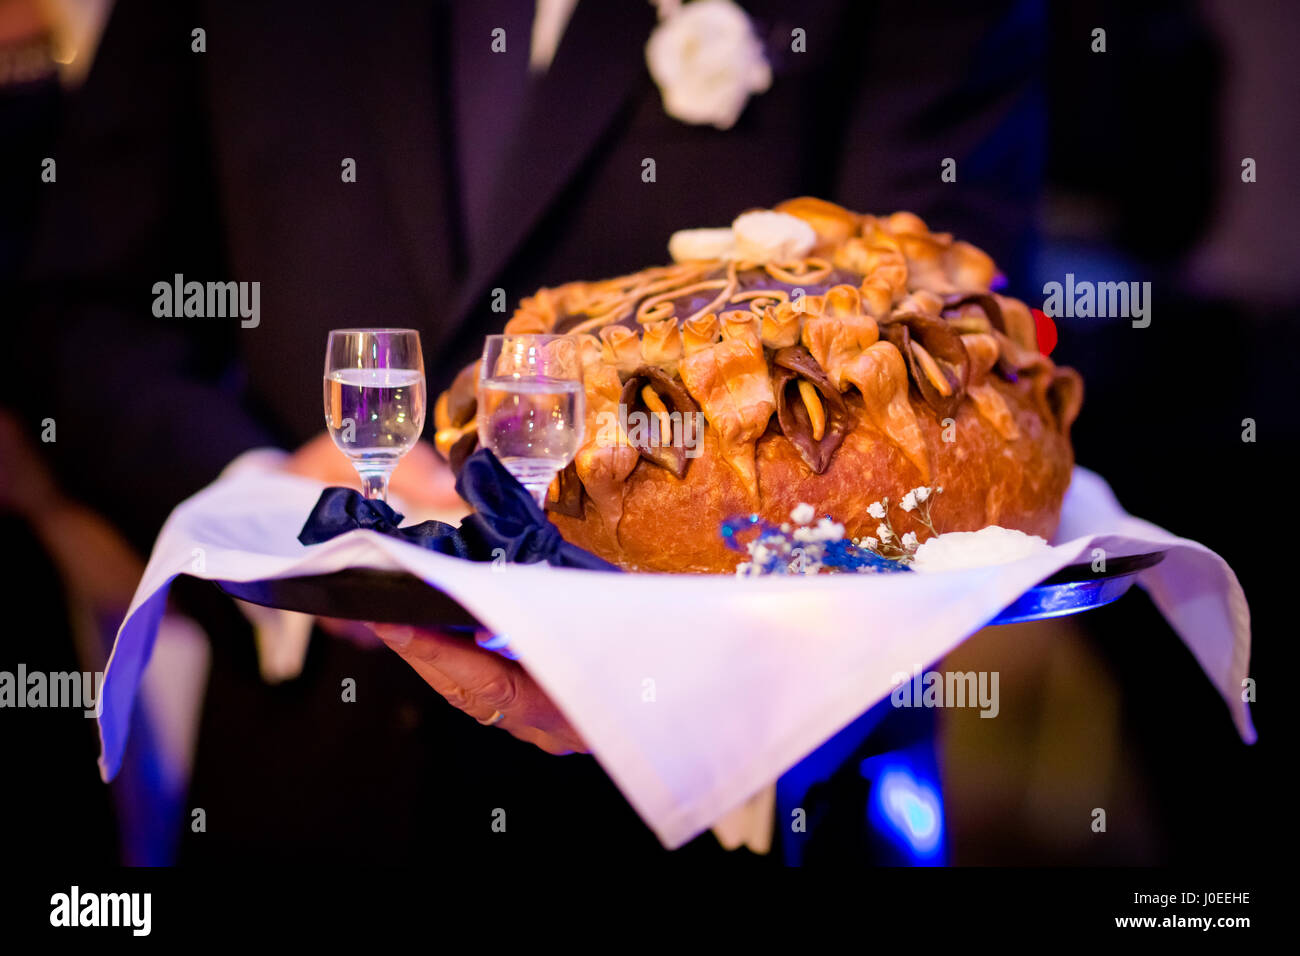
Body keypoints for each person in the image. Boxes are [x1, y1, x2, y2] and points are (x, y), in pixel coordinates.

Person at [21, 0, 1047, 861]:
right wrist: (264, 495)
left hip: (753, 804)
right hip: (303, 770)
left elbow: (949, 351)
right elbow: (81, 306)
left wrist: (727, 681)